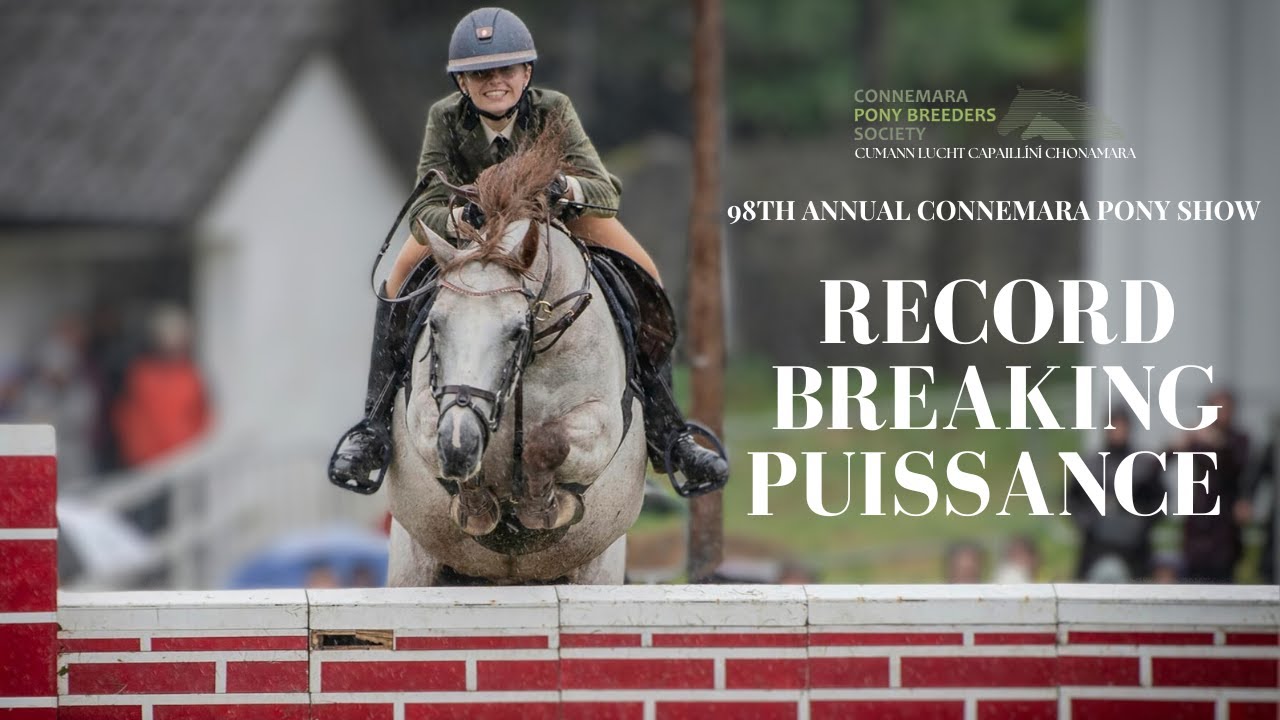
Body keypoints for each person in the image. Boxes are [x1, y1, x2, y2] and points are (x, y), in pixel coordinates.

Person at [328, 7, 728, 500]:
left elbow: (606, 190)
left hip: (553, 217)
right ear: (462, 82)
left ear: (526, 74)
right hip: (470, 225)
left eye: (505, 71)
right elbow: (424, 202)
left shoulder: (553, 109)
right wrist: (456, 219)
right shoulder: (444, 119)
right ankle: (372, 429)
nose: (494, 82)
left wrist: (565, 186)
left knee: (646, 272)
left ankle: (670, 433)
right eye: (480, 74)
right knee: (396, 281)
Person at [1068, 408, 1166, 581]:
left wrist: (1140, 524)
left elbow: (1160, 501)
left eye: (1121, 426)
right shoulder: (1090, 464)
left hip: (1134, 549)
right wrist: (1089, 522)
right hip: (1096, 546)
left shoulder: (1144, 464)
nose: (1117, 431)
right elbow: (1071, 500)